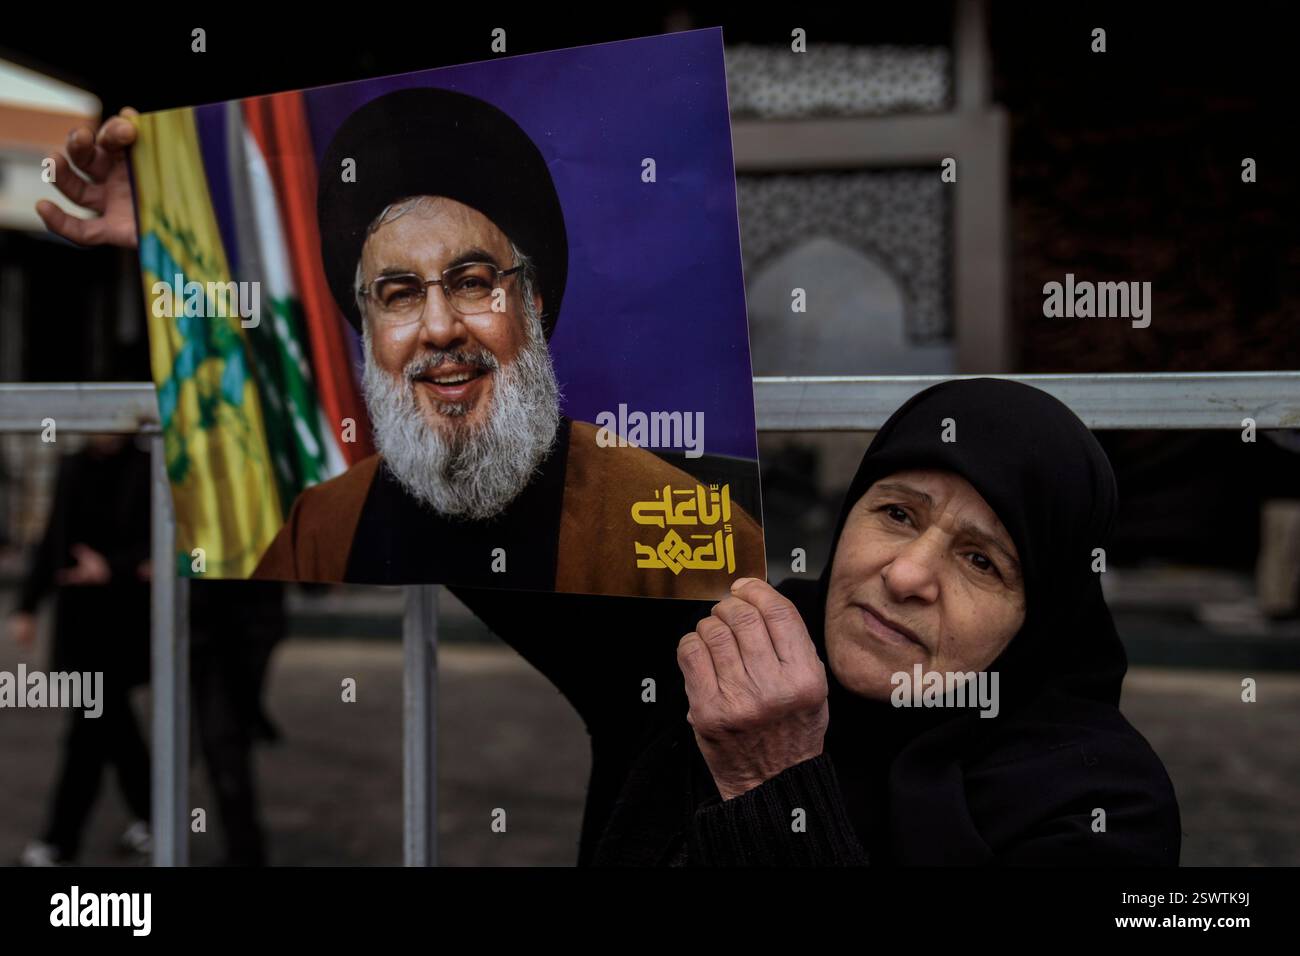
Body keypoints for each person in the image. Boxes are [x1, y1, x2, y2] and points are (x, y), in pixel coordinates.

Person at [452, 378, 1182, 865]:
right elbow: (465, 505)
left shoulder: (1100, 806)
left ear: (1043, 615)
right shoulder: (715, 653)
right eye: (897, 514)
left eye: (981, 561)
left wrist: (775, 784)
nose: (906, 575)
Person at [8, 435, 152, 865]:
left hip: (122, 622)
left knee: (89, 735)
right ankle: (152, 816)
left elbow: (162, 541)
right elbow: (54, 535)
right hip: (79, 626)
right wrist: (29, 603)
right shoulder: (72, 467)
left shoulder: (148, 465)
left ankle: (59, 840)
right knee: (110, 731)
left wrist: (113, 567)